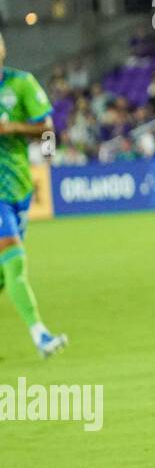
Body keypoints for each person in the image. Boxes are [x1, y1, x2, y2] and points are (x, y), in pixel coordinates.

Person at [0, 32, 69, 356]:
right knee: (15, 261)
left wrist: (15, 130)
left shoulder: (21, 83)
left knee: (4, 274)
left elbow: (48, 131)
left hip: (19, 186)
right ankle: (40, 336)